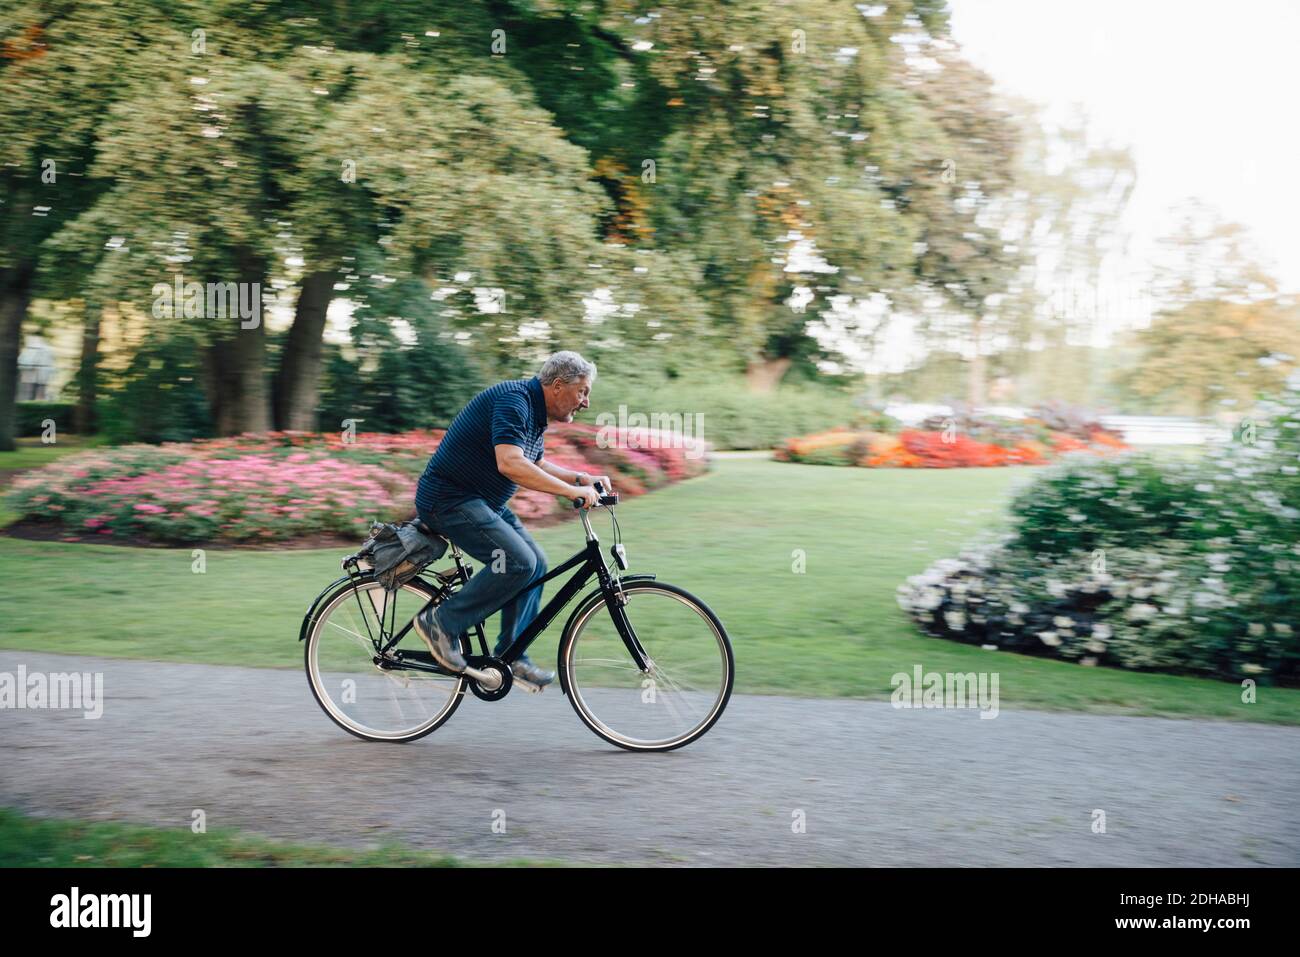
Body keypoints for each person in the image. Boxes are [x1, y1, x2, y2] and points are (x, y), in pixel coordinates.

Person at [412, 351, 613, 690]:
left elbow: (534, 461)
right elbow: (510, 463)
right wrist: (568, 492)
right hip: (449, 499)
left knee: (535, 565)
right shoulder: (514, 402)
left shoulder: (531, 409)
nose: (586, 402)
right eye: (582, 392)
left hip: (480, 502)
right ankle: (440, 624)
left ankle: (512, 655)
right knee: (517, 563)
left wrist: (580, 478)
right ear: (558, 385)